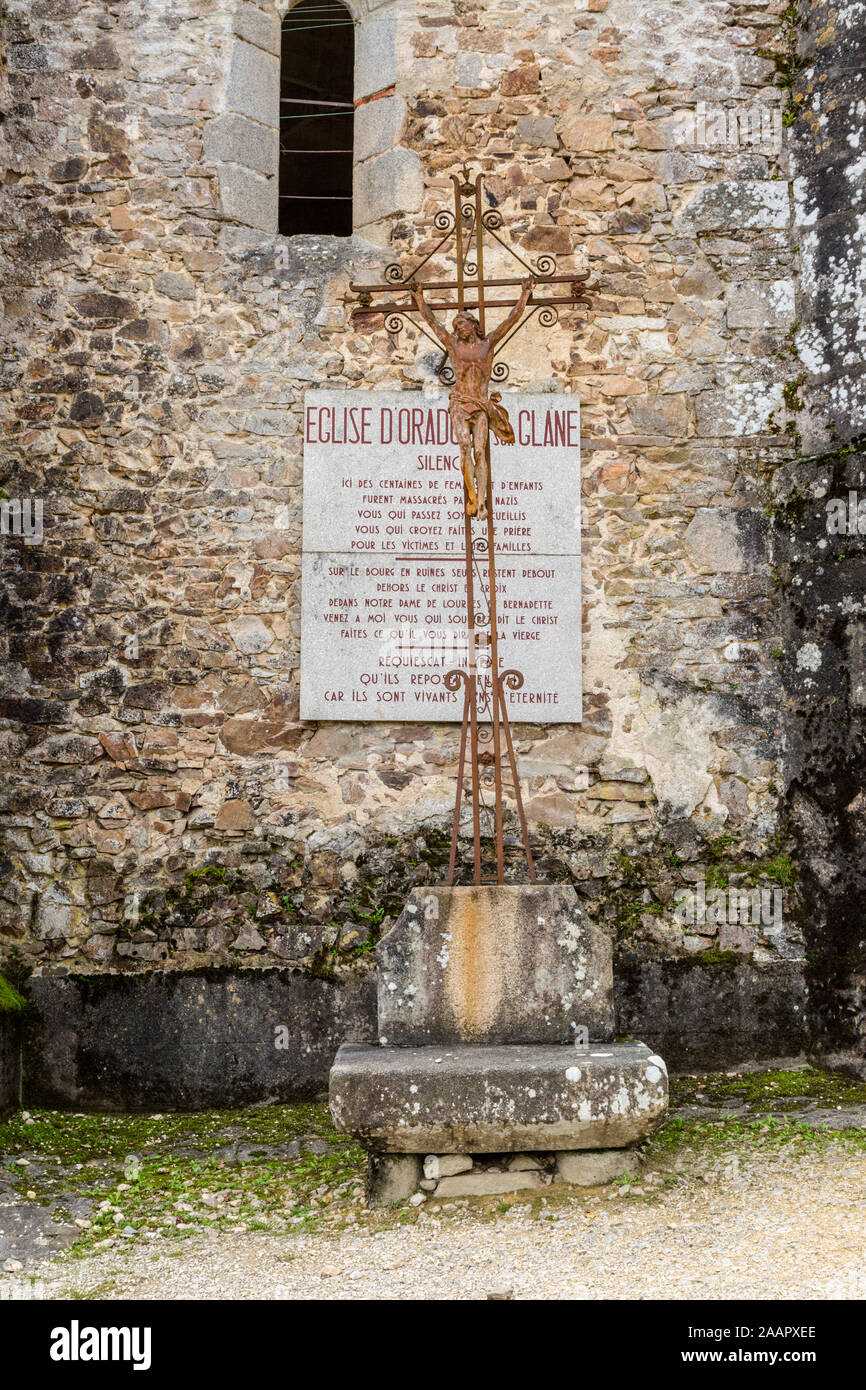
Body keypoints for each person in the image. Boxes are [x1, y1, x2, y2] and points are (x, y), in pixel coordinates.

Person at [410, 275, 535, 519]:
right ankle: (471, 495)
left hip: (480, 405)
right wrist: (419, 299)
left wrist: (525, 295)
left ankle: (482, 500)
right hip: (459, 403)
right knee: (464, 448)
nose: (458, 329)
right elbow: (432, 322)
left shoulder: (487, 344)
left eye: (462, 325)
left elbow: (510, 321)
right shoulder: (454, 346)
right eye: (456, 327)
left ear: (472, 324)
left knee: (480, 451)